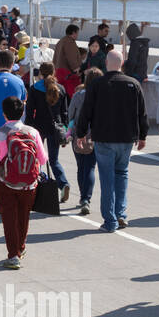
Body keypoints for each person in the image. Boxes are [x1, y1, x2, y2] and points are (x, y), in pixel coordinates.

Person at [78, 50, 146, 233]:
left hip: (104, 137)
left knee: (107, 178)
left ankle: (110, 221)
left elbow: (87, 110)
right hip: (126, 138)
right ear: (122, 64)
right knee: (122, 174)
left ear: (107, 63)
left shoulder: (97, 84)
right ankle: (121, 214)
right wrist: (143, 136)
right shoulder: (133, 84)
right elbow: (142, 113)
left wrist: (81, 133)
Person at [0, 96, 48, 269]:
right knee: (24, 215)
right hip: (29, 182)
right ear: (23, 112)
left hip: (4, 182)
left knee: (9, 218)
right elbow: (43, 158)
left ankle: (13, 255)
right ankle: (21, 247)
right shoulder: (32, 132)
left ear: (4, 114)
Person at [26, 62, 70, 203]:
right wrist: (65, 133)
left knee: (37, 159)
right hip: (55, 128)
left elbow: (29, 112)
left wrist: (27, 129)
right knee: (54, 160)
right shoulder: (61, 89)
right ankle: (63, 184)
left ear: (40, 73)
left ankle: (37, 186)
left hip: (38, 127)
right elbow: (65, 113)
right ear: (54, 72)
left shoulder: (34, 89)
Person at [66, 66, 102, 215]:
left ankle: (83, 197)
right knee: (90, 167)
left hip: (78, 135)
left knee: (81, 166)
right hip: (96, 136)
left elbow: (70, 116)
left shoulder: (79, 95)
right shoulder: (102, 96)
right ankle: (86, 197)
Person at [53, 24, 82, 98]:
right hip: (66, 73)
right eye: (77, 33)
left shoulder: (61, 41)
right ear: (73, 33)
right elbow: (71, 57)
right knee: (72, 94)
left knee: (60, 93)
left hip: (58, 70)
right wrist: (76, 69)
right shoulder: (70, 42)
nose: (78, 35)